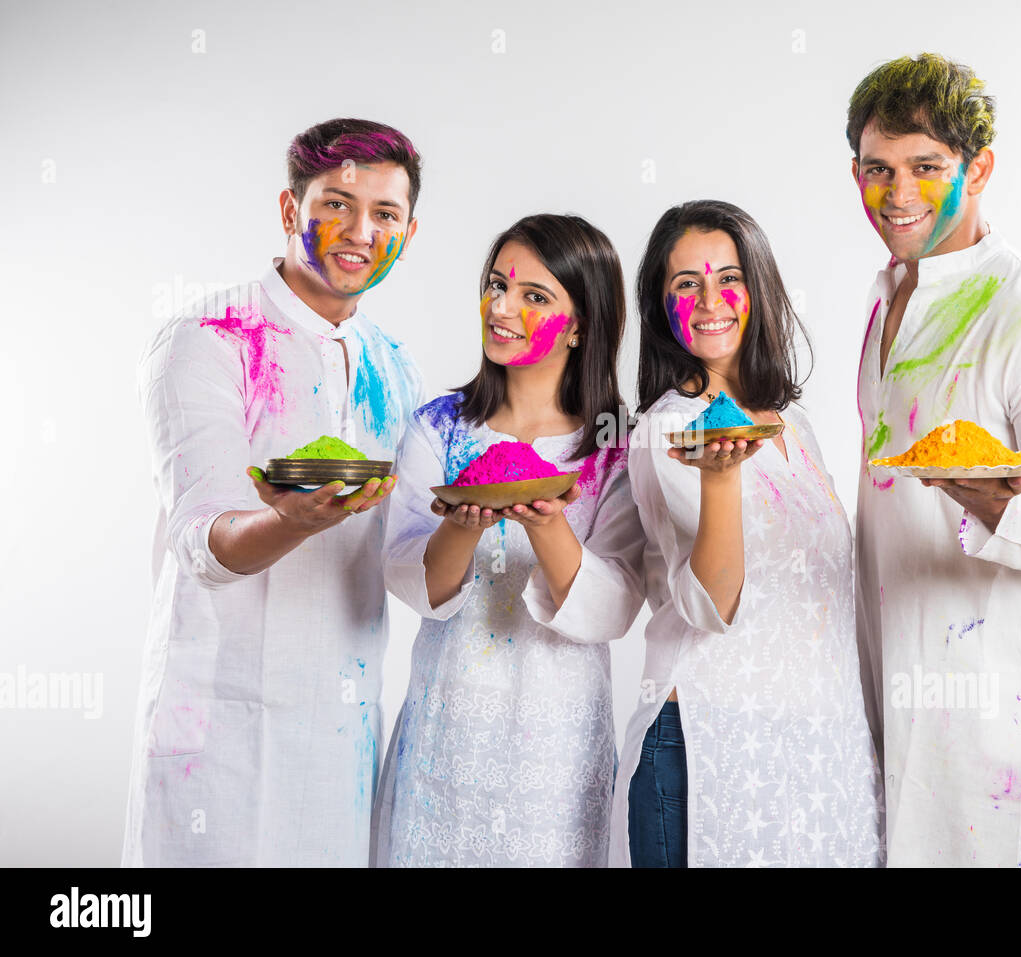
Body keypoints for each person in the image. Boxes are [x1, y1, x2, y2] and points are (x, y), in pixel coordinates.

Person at [847, 53, 1021, 866]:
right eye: (878, 169)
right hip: (895, 709)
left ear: (980, 168)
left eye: (927, 168)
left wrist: (995, 503)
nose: (900, 194)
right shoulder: (884, 292)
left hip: (1001, 740)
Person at [123, 118, 425, 866]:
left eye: (385, 213)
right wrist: (289, 522)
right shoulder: (208, 336)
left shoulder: (394, 366)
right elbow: (204, 541)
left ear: (409, 233)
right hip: (219, 727)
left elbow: (403, 551)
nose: (360, 231)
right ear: (290, 211)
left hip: (340, 731)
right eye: (336, 204)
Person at [612, 200, 884, 867]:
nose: (711, 301)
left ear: (757, 290)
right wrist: (719, 480)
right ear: (660, 304)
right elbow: (714, 605)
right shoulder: (666, 431)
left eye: (728, 279)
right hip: (705, 747)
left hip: (812, 752)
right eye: (686, 285)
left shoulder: (795, 425)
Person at [373, 214, 644, 867]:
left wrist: (547, 522)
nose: (502, 307)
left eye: (534, 296)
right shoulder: (441, 426)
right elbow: (410, 575)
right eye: (497, 285)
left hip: (557, 745)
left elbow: (616, 607)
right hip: (446, 732)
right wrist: (458, 527)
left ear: (581, 324)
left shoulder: (612, 450)